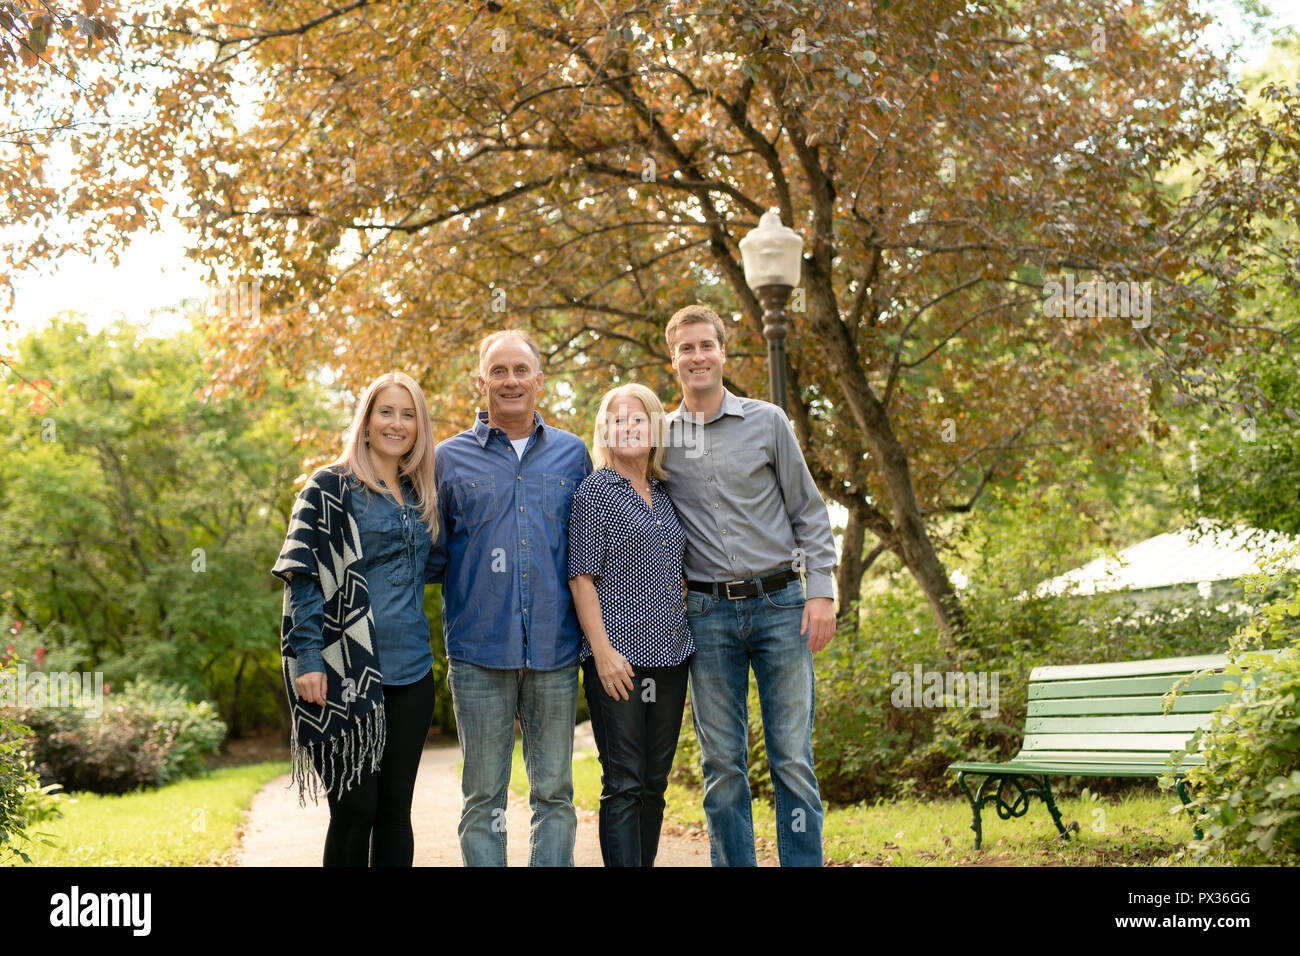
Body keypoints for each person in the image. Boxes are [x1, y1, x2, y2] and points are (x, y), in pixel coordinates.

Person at [660, 304, 838, 867]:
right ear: (673, 360)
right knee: (722, 767)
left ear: (722, 352)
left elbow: (809, 511)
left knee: (791, 758)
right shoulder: (662, 437)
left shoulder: (768, 422)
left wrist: (822, 590)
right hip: (706, 613)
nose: (697, 356)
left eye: (706, 344)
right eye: (686, 348)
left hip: (782, 605)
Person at [426, 329, 592, 866]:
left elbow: (590, 553)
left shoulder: (572, 455)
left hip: (555, 650)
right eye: (499, 371)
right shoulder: (447, 460)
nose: (511, 381)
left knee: (555, 795)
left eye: (521, 370)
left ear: (539, 380)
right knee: (482, 798)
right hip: (479, 652)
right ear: (481, 382)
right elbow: (427, 556)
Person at [271, 371, 440, 867]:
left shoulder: (418, 491)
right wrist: (307, 660)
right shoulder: (328, 486)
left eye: (408, 415)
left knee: (395, 809)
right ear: (365, 421)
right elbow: (302, 578)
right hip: (341, 670)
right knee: (354, 807)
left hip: (412, 671)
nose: (397, 423)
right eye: (386, 412)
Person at [567, 383, 694, 867]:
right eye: (617, 420)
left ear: (655, 427)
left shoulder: (663, 493)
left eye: (637, 418)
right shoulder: (596, 491)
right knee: (623, 780)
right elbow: (581, 578)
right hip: (618, 659)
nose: (627, 426)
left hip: (672, 655)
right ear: (604, 431)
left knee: (654, 782)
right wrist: (601, 652)